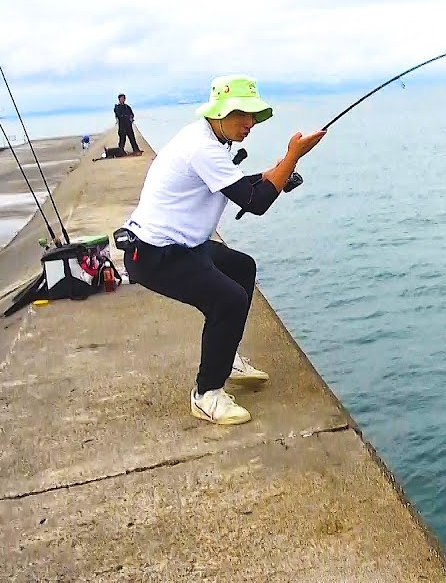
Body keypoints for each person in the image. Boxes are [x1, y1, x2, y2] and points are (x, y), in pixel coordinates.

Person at [119, 75, 325, 425]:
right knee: (228, 299)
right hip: (154, 254)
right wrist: (291, 157)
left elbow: (241, 184)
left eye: (253, 116)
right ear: (217, 112)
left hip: (185, 245)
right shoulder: (204, 148)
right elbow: (255, 202)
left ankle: (225, 356)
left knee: (241, 267)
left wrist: (280, 170)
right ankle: (206, 394)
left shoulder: (208, 139)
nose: (248, 123)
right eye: (239, 114)